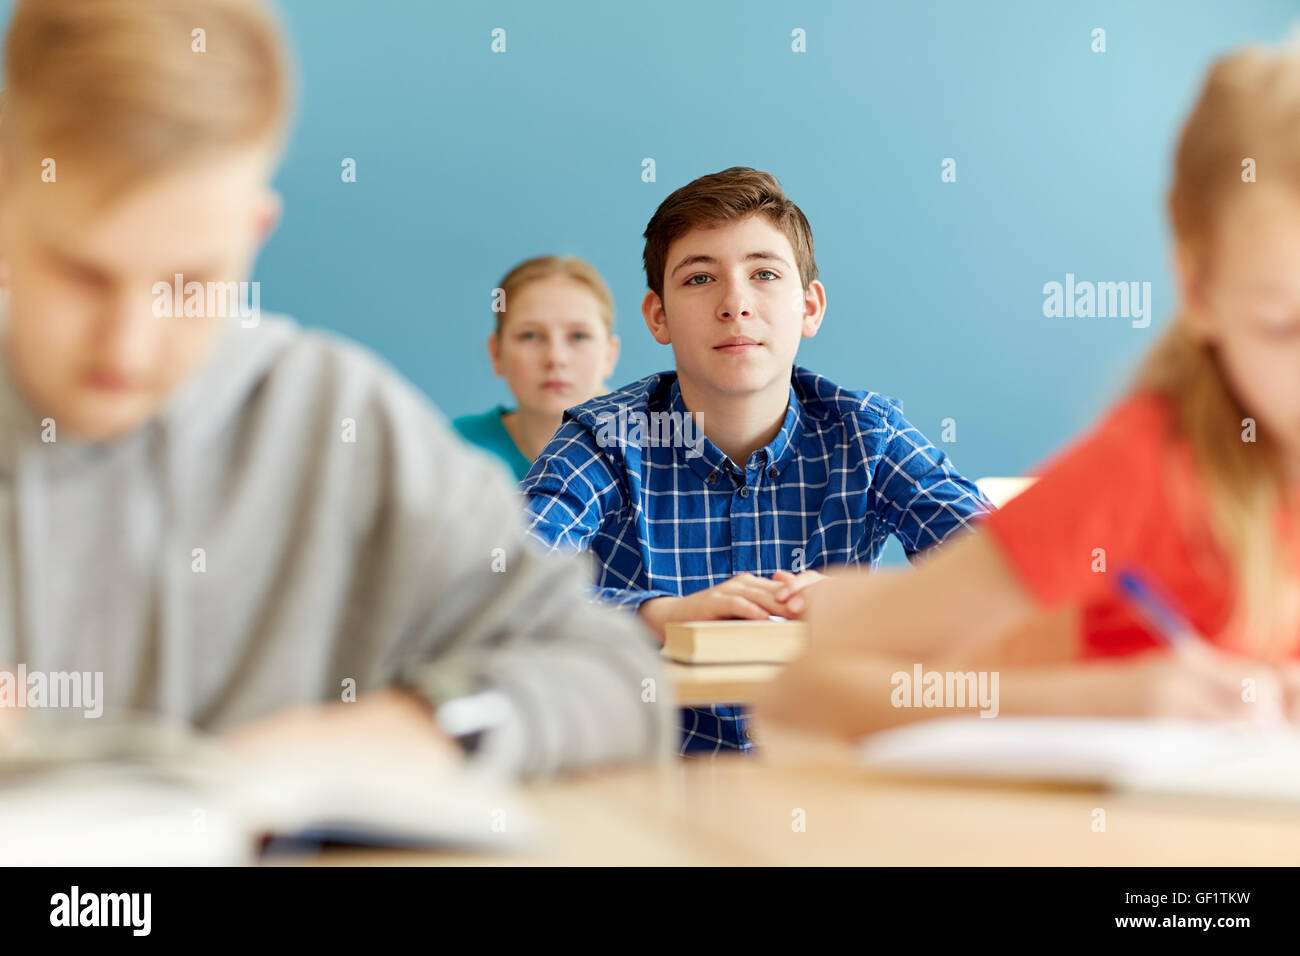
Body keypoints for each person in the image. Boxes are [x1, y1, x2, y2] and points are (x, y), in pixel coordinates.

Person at [0, 0, 672, 778]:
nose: (128, 342)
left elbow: (617, 680)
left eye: (189, 281)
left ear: (252, 232)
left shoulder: (336, 418)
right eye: (82, 274)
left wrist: (413, 731)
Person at [757, 43, 1300, 740]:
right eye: (1284, 326)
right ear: (1197, 290)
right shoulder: (1142, 473)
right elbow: (801, 697)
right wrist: (1104, 701)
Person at [522, 167, 990, 753]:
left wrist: (860, 604)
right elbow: (502, 582)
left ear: (810, 307)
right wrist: (660, 615)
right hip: (644, 786)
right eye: (699, 279)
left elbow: (1004, 571)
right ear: (658, 316)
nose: (735, 304)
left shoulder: (867, 434)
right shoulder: (606, 438)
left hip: (825, 787)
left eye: (764, 274)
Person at [454, 256, 621, 481]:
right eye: (530, 335)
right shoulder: (455, 450)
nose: (555, 357)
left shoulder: (652, 459)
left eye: (578, 336)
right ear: (496, 352)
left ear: (609, 355)